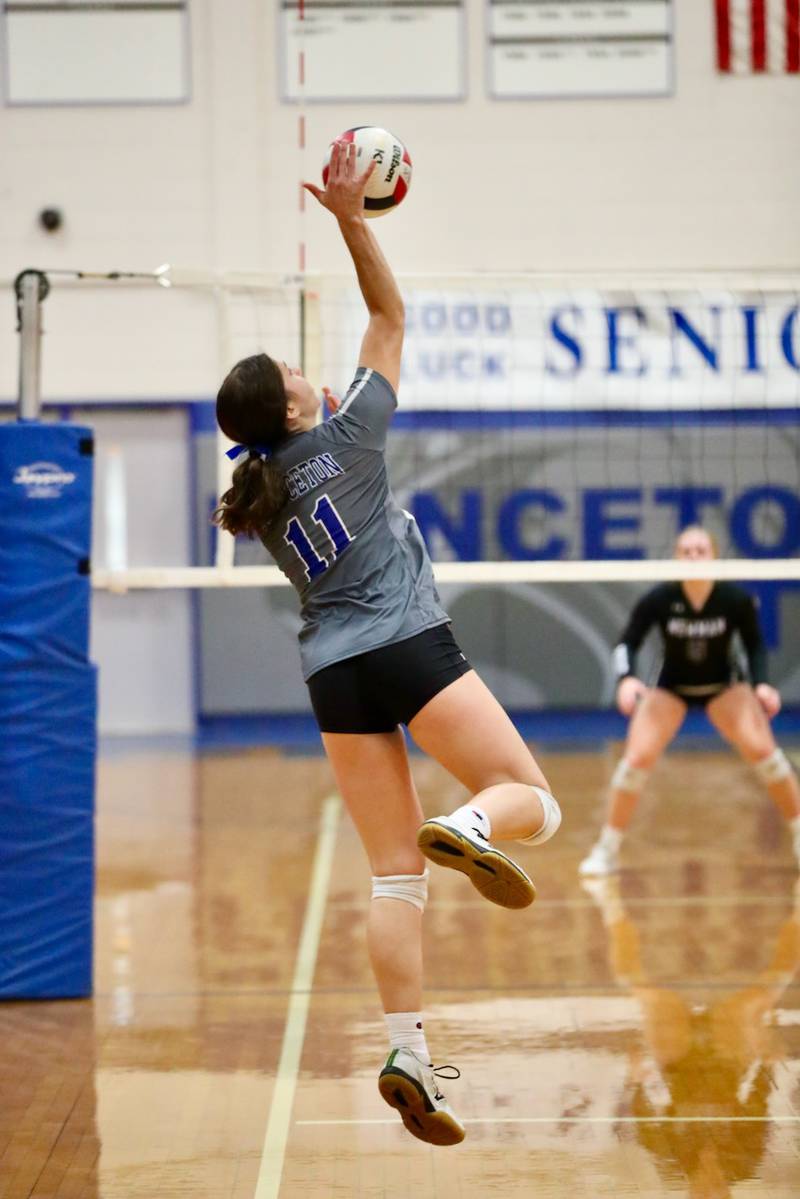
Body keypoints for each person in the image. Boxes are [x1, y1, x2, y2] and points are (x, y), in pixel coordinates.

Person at [212, 141, 561, 1146]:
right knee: (533, 801)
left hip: (332, 674)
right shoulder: (346, 436)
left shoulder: (261, 495)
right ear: (291, 407)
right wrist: (350, 220)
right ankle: (479, 826)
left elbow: (348, 354)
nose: (312, 373)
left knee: (393, 874)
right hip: (408, 642)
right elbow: (387, 318)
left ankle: (408, 1048)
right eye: (295, 372)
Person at [580, 525, 800, 876]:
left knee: (764, 753)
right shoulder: (661, 599)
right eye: (687, 551)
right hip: (672, 687)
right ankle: (607, 849)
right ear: (677, 558)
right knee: (635, 761)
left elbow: (756, 645)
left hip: (723, 686)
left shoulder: (734, 599)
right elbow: (627, 643)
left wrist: (762, 685)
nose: (694, 556)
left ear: (714, 556)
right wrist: (626, 680)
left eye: (701, 550)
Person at [582, 873, 800, 1198]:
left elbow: (644, 1121)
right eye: (718, 1197)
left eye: (701, 1197)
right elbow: (758, 1106)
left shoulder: (672, 1163)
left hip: (679, 1063)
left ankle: (609, 902)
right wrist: (766, 1059)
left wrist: (637, 1079)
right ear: (727, 1195)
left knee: (644, 991)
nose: (709, 1190)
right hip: (729, 1063)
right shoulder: (745, 1161)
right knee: (762, 994)